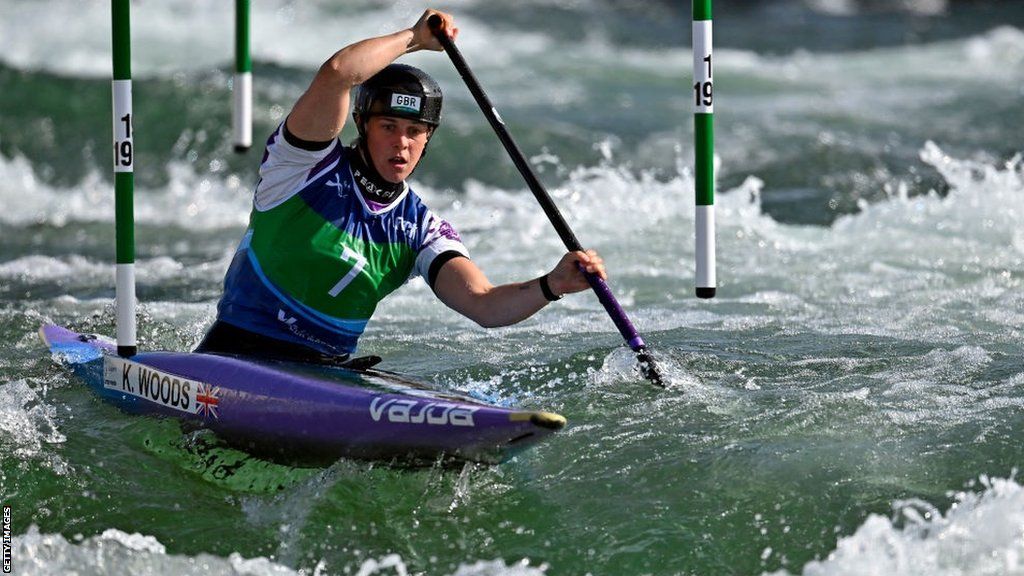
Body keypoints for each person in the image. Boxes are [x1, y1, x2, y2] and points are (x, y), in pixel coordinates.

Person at [196, 9, 606, 364]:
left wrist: (552, 285)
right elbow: (338, 74)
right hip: (236, 354)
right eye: (388, 127)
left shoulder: (420, 228)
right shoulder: (302, 166)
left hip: (325, 373)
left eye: (415, 131)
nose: (402, 142)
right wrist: (413, 38)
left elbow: (483, 304)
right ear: (362, 125)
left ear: (428, 139)